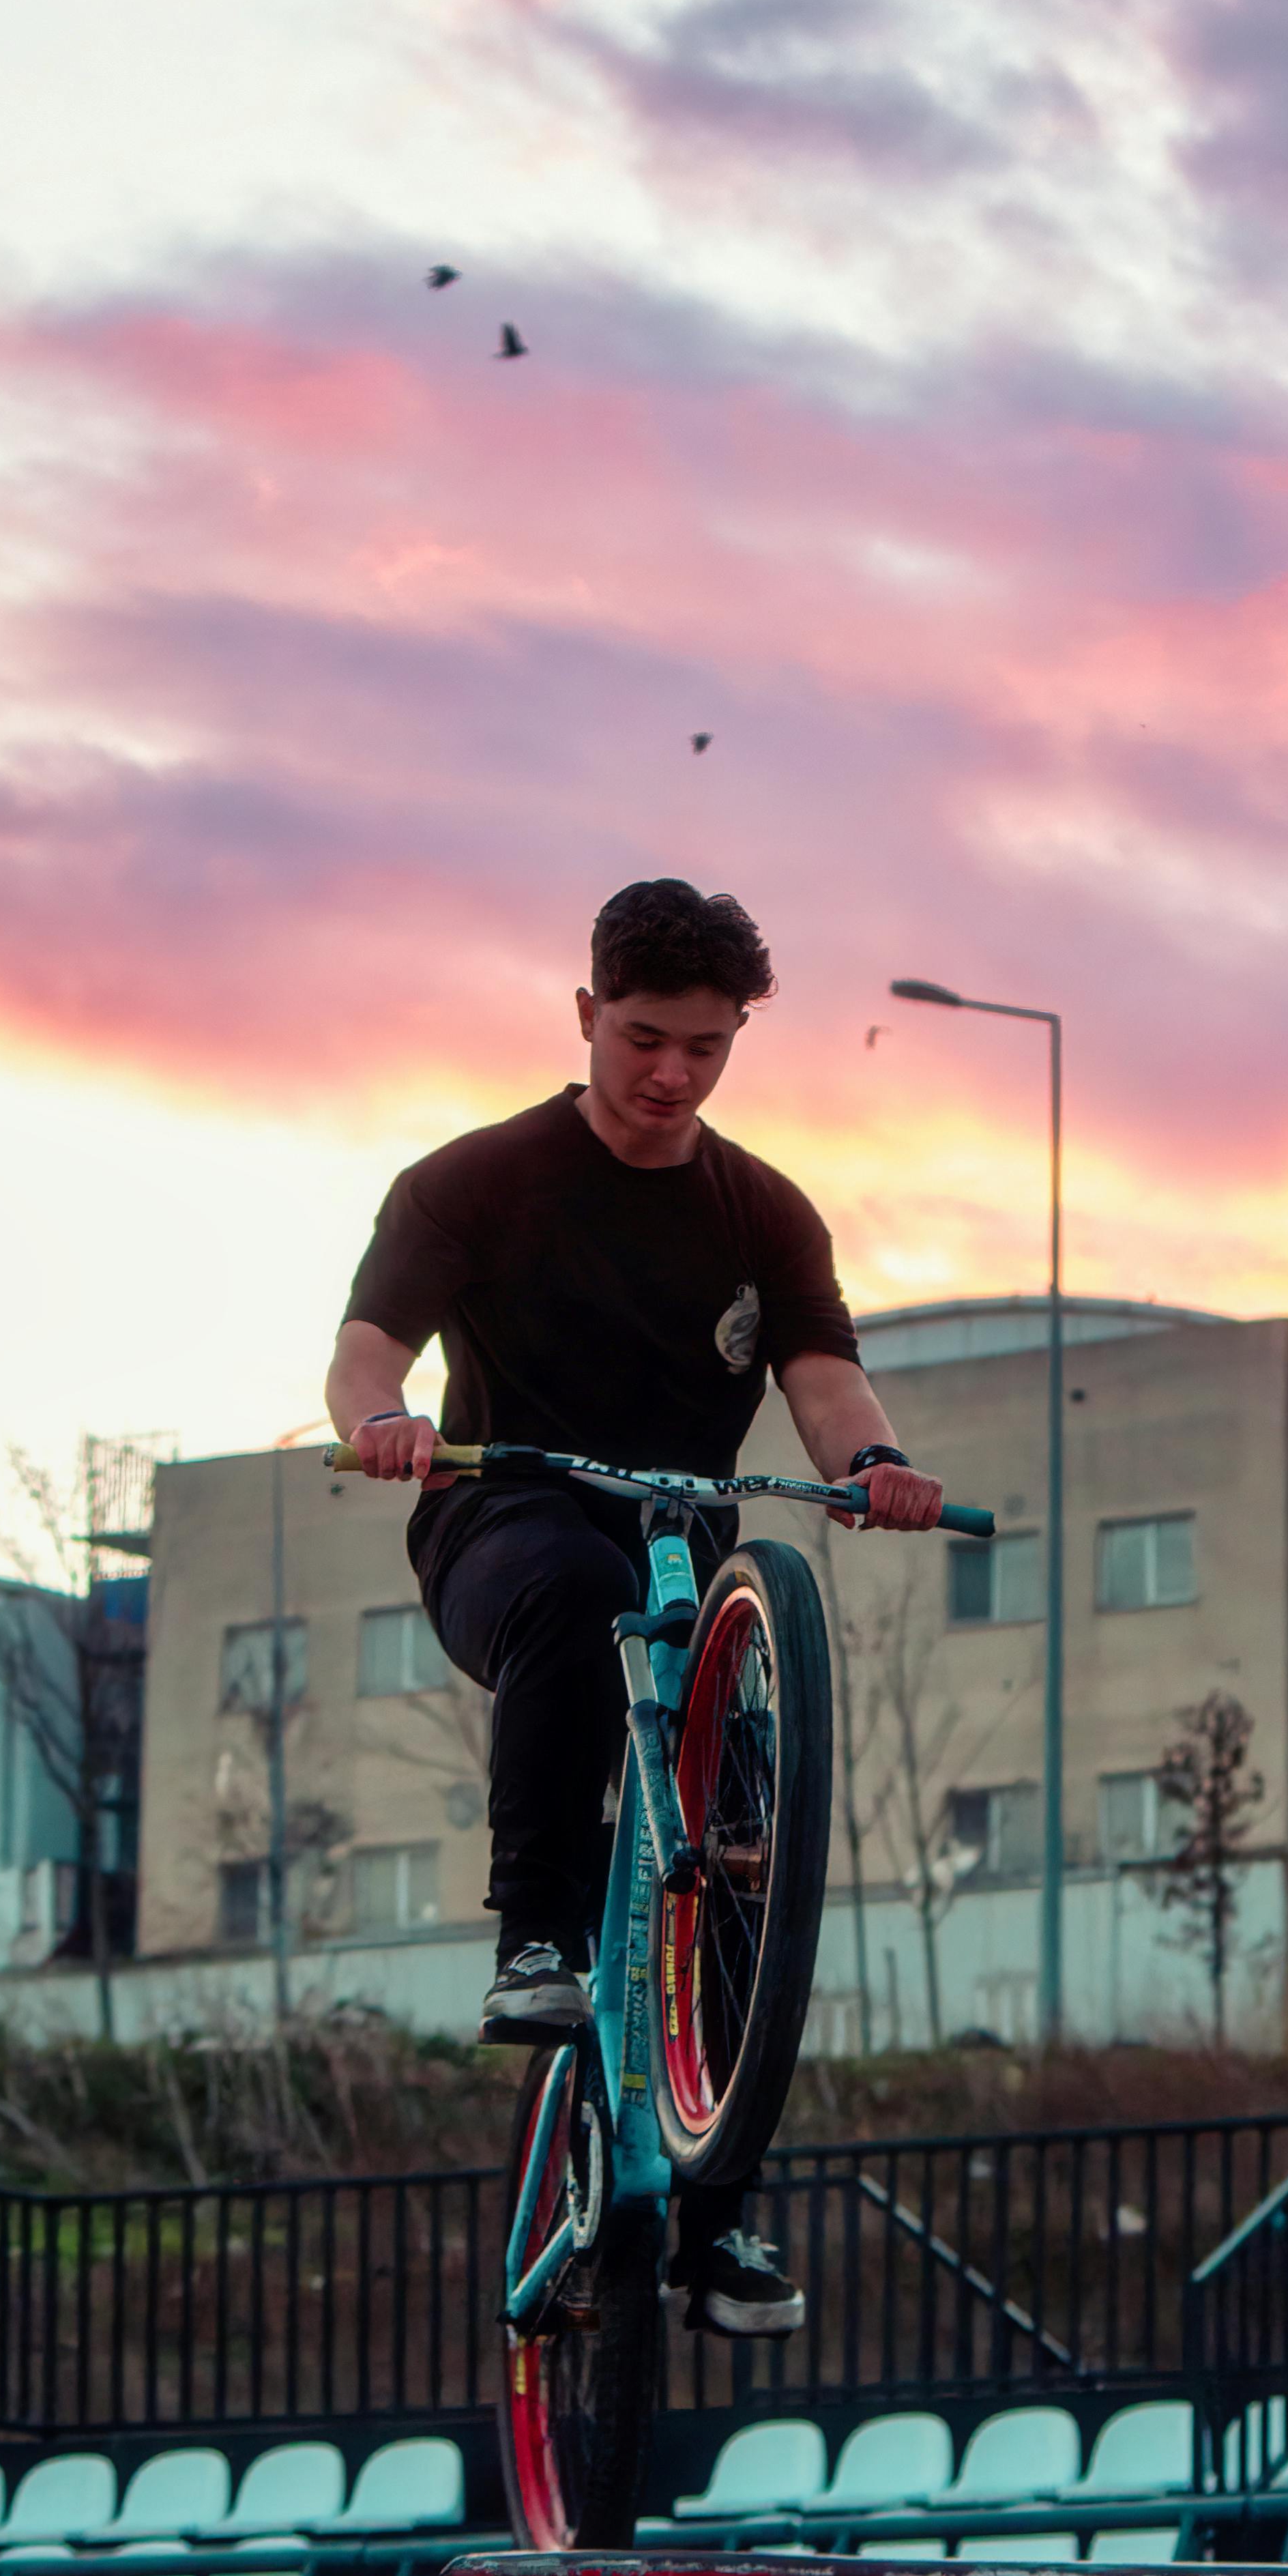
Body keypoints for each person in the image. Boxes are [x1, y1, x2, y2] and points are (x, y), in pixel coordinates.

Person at [324, 875, 946, 2337]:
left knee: (744, 1847)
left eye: (708, 1048)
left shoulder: (763, 1212)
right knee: (581, 1588)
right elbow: (364, 1350)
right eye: (646, 1040)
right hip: (505, 1519)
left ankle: (715, 2210)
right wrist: (385, 1422)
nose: (672, 1075)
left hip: (693, 1558)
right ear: (589, 1014)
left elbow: (815, 1378)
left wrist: (873, 1462)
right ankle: (533, 1939)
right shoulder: (470, 1183)